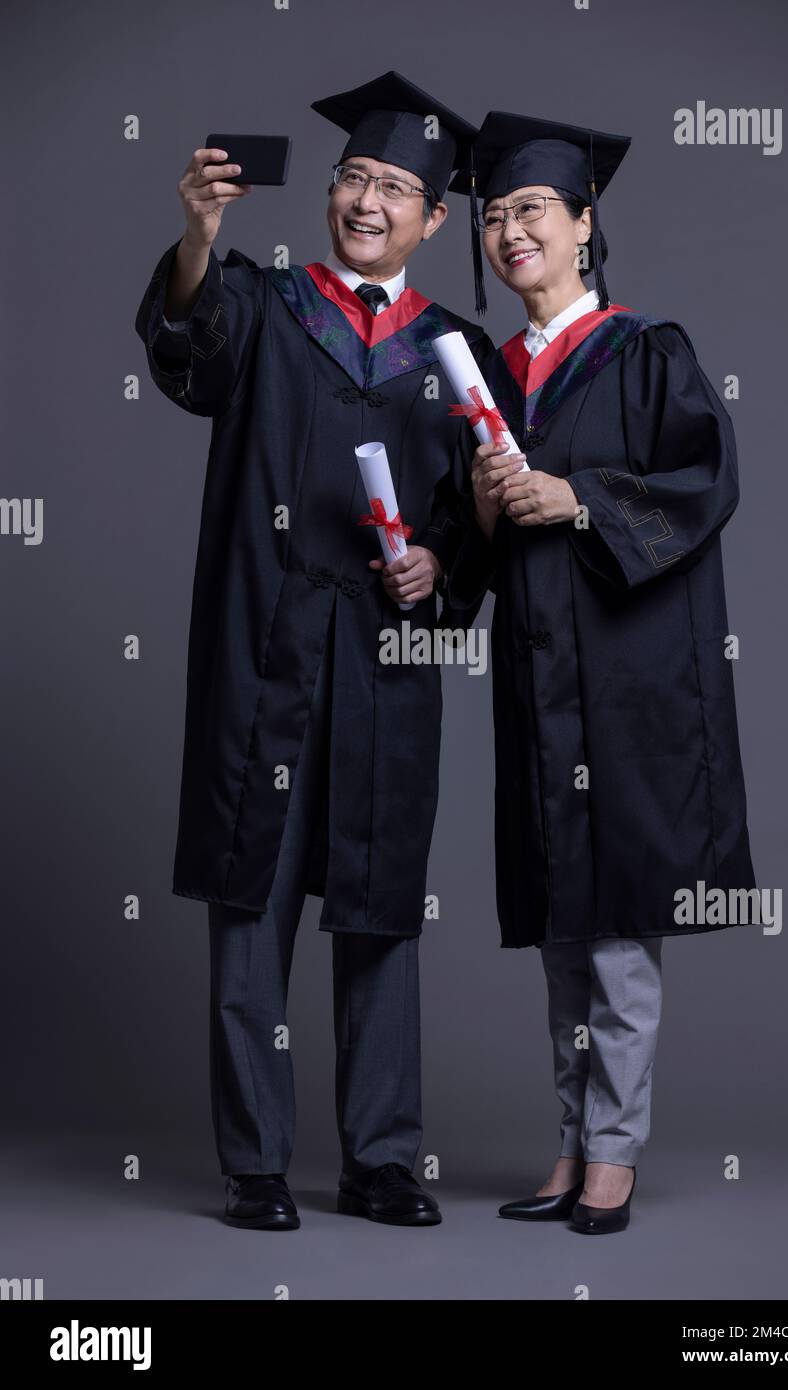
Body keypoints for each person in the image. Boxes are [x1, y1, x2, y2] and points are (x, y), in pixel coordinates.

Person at [134, 72, 493, 1231]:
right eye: (355, 178)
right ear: (331, 193)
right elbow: (188, 346)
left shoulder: (456, 352)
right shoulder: (265, 305)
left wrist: (439, 562)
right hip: (267, 644)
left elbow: (479, 517)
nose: (369, 199)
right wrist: (198, 234)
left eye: (396, 186)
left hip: (387, 656)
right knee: (253, 895)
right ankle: (254, 1160)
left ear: (435, 218)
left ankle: (383, 1157)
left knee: (382, 901)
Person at [444, 111, 756, 1233]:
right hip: (539, 685)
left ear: (585, 222)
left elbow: (709, 479)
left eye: (529, 208)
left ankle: (614, 1151)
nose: (508, 229)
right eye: (490, 215)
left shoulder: (646, 350)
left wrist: (580, 499)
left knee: (619, 922)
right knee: (562, 924)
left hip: (629, 684)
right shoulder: (491, 378)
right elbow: (467, 558)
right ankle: (570, 1144)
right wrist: (480, 506)